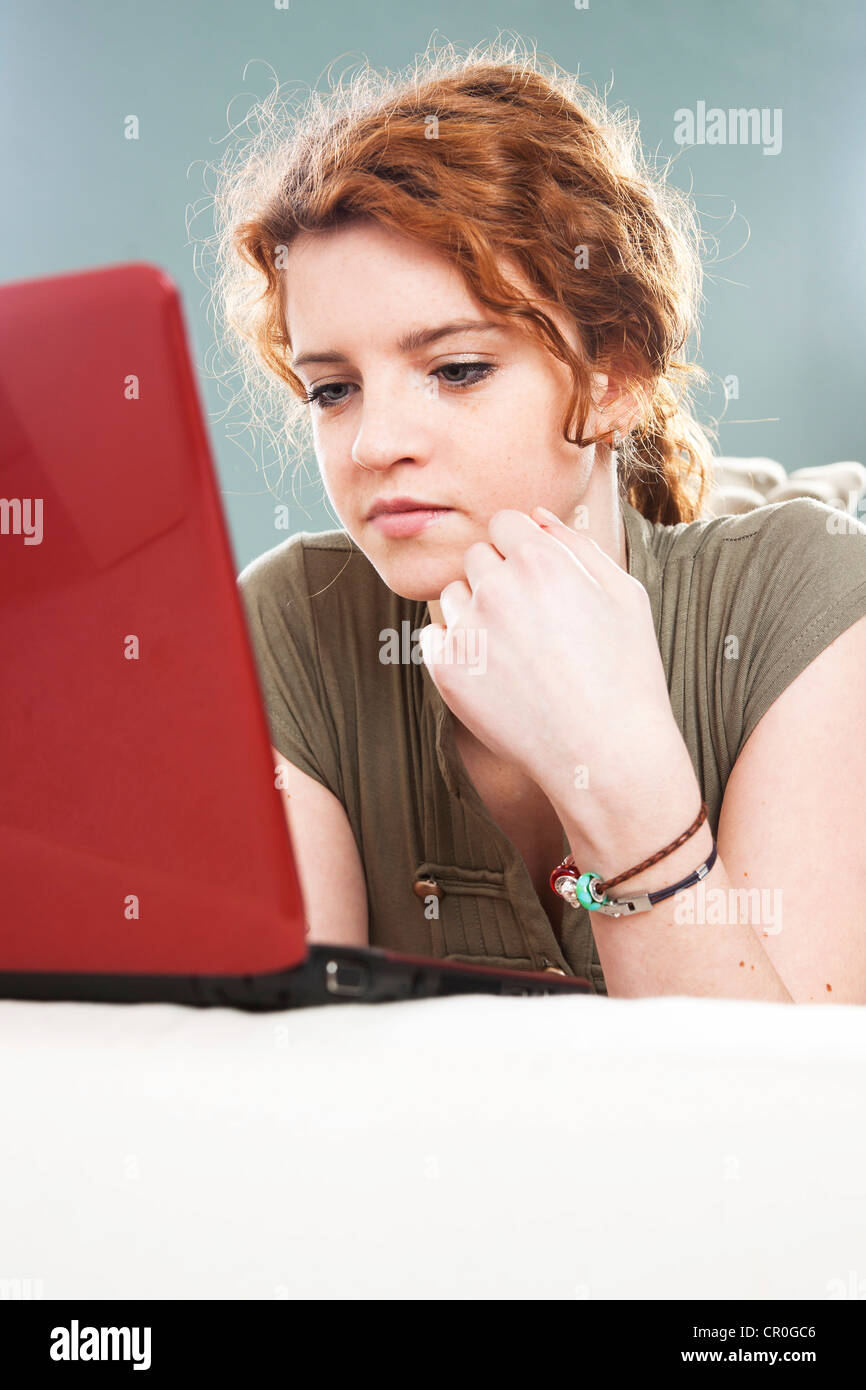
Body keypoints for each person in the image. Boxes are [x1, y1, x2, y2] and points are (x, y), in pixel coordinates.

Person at [211, 40, 866, 1001]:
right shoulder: (289, 625)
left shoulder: (805, 597)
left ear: (616, 376)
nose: (372, 444)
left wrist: (612, 767)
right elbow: (279, 1073)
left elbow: (780, 1128)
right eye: (333, 390)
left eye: (458, 370)